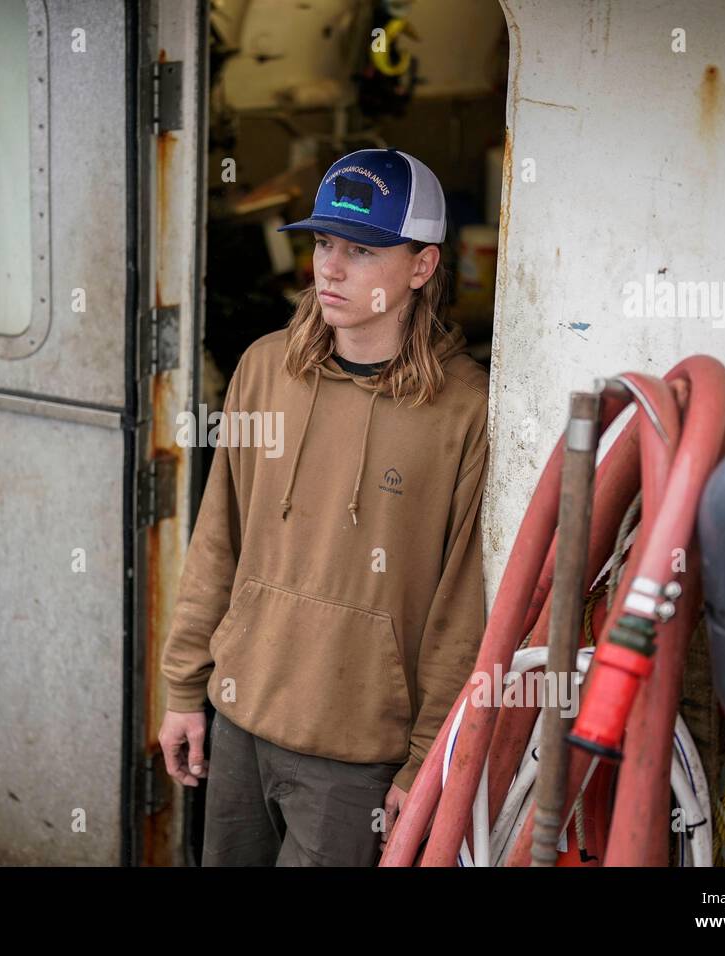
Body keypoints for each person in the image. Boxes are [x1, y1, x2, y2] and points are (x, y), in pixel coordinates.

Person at [159, 148, 489, 866]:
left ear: (423, 266)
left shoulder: (465, 411)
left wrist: (428, 758)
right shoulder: (262, 370)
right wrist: (185, 687)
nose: (331, 269)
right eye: (323, 243)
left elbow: (462, 609)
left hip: (357, 756)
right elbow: (218, 539)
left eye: (362, 250)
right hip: (240, 720)